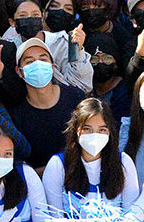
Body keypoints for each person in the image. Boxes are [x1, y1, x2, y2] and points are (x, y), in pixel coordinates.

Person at [41, 96, 139, 215]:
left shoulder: (123, 162)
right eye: (87, 129)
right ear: (76, 130)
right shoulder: (58, 165)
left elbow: (130, 214)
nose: (94, 135)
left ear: (110, 132)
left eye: (102, 130)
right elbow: (54, 216)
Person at [7, 37, 86, 171]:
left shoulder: (76, 98)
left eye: (43, 60)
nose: (37, 65)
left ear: (52, 66)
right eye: (29, 62)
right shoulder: (16, 113)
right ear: (19, 71)